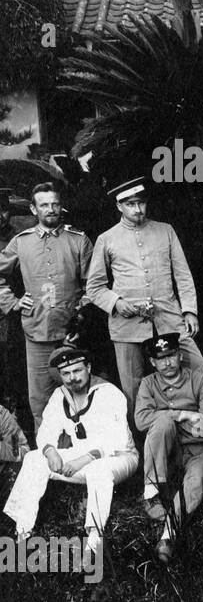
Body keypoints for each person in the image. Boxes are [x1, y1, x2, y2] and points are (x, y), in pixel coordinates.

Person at [85, 176, 203, 412]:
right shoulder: (107, 239)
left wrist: (190, 310)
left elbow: (182, 274)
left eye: (141, 203)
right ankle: (141, 441)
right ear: (119, 206)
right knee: (133, 385)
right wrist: (116, 302)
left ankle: (200, 425)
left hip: (169, 317)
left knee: (197, 367)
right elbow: (94, 287)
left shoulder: (165, 231)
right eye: (130, 204)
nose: (137, 209)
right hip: (127, 323)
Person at [3, 348, 138, 560]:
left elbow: (115, 439)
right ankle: (22, 532)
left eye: (77, 371)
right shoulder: (60, 395)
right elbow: (47, 430)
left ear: (89, 368)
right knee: (33, 458)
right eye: (66, 374)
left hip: (118, 457)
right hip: (78, 458)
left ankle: (94, 542)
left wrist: (83, 459)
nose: (72, 378)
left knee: (99, 470)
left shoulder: (109, 393)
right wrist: (50, 452)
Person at [0, 183, 93, 432]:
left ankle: (81, 449)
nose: (50, 209)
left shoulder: (78, 240)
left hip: (71, 331)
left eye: (54, 204)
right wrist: (13, 302)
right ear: (33, 208)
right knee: (40, 399)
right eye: (44, 205)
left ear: (61, 206)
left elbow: (93, 285)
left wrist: (82, 313)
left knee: (78, 392)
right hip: (36, 330)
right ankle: (48, 453)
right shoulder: (22, 242)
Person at [134, 332, 203, 564]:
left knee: (195, 481)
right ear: (152, 362)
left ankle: (168, 534)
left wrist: (187, 423)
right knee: (161, 423)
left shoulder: (200, 381)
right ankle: (151, 493)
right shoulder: (148, 384)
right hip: (168, 452)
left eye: (171, 356)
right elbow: (141, 421)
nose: (167, 362)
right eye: (161, 358)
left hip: (200, 450)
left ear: (180, 356)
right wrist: (182, 415)